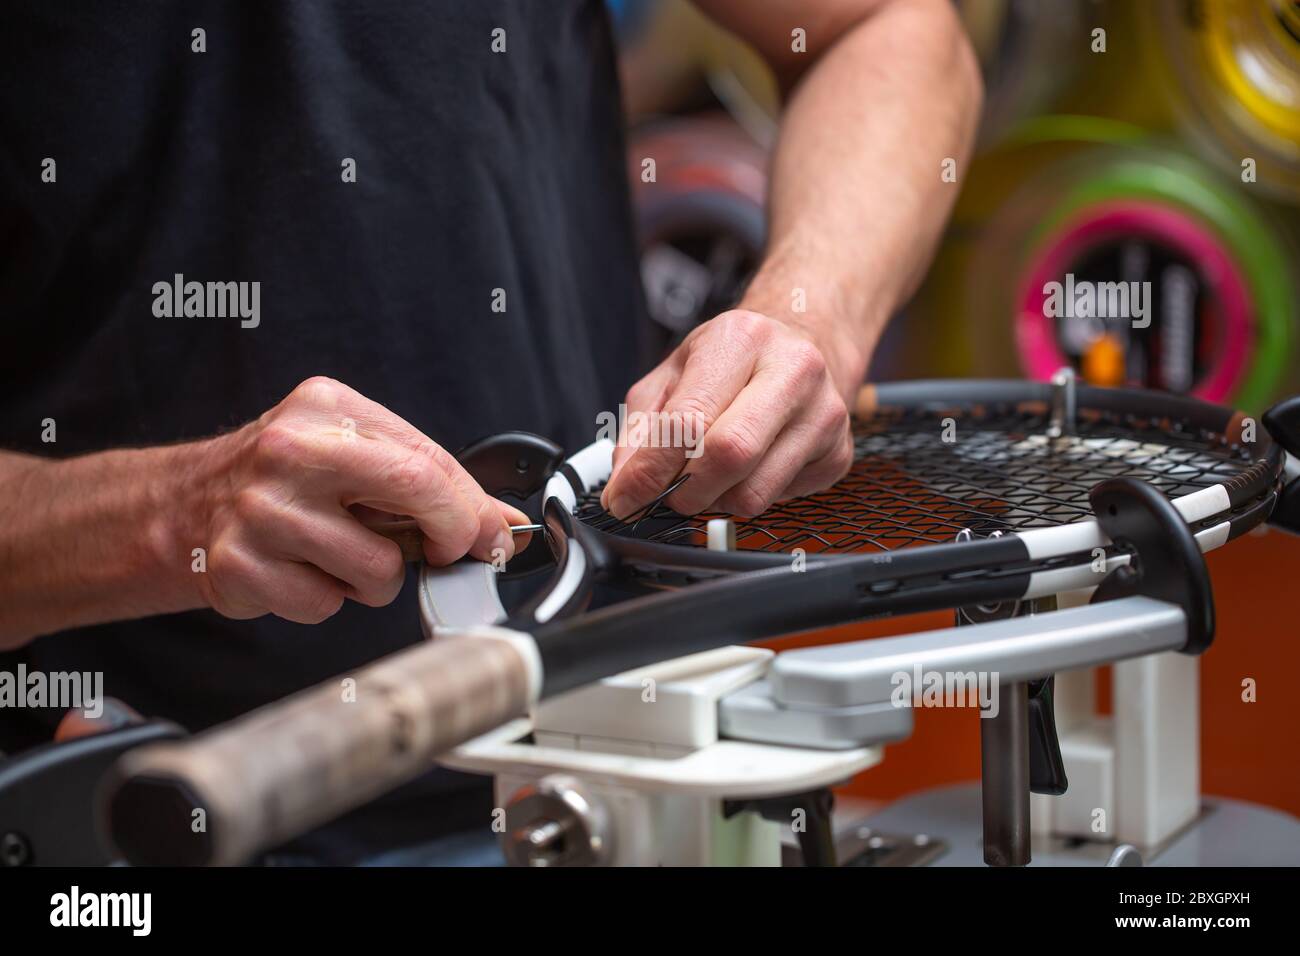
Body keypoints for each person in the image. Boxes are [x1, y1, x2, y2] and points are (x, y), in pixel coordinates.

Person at [0, 0, 980, 863]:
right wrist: (164, 516)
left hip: (604, 769)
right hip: (128, 809)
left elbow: (885, 25)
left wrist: (809, 315)